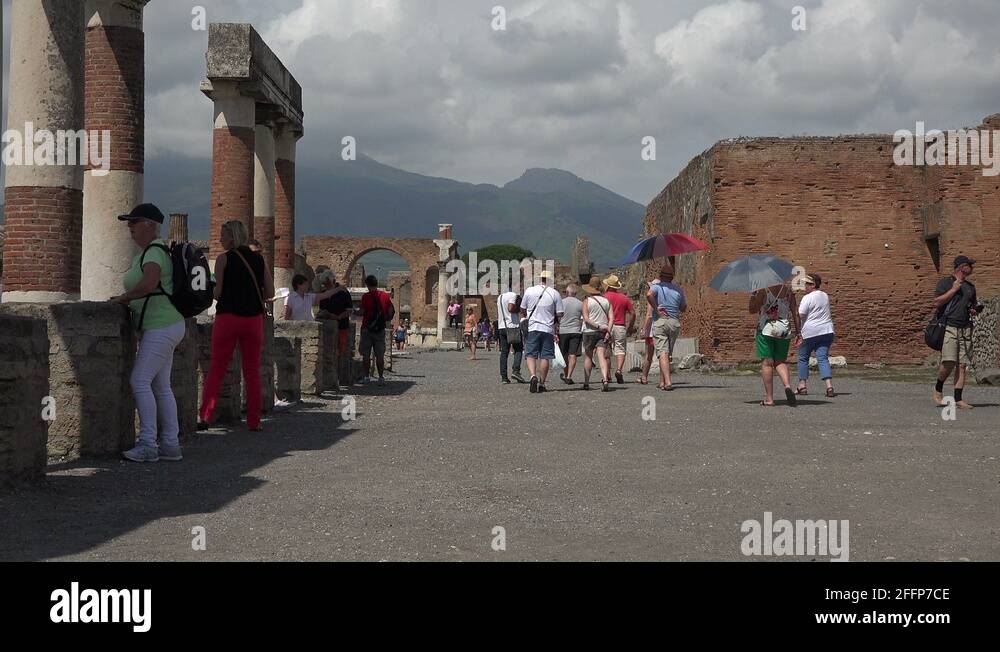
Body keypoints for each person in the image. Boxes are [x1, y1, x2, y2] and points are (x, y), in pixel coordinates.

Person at [111, 204, 187, 462]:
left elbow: (150, 283)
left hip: (160, 325)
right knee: (161, 386)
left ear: (150, 225)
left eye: (134, 221)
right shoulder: (152, 252)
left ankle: (148, 444)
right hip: (169, 324)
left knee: (139, 381)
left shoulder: (154, 252)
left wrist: (124, 297)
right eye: (128, 222)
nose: (129, 227)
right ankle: (170, 444)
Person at [199, 220, 274, 431]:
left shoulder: (223, 259)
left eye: (222, 235)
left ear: (231, 237)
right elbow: (269, 292)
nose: (219, 239)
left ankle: (206, 415)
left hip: (228, 318)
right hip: (253, 321)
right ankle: (254, 421)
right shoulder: (259, 260)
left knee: (217, 368)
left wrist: (208, 290)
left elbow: (218, 292)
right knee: (252, 371)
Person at [933, 256, 980, 409]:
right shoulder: (946, 283)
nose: (972, 268)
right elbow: (937, 302)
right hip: (950, 327)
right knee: (949, 362)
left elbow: (971, 306)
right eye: (969, 265)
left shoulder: (970, 287)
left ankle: (958, 399)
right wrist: (953, 289)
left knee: (962, 365)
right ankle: (938, 388)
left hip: (965, 327)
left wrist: (974, 310)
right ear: (961, 267)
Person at [750, 282, 800, 406]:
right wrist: (799, 332)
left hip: (766, 329)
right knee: (780, 361)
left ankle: (769, 399)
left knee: (767, 363)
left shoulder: (763, 291)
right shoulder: (788, 291)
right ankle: (787, 386)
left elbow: (752, 310)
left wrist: (753, 296)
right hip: (783, 330)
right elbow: (796, 313)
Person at [520, 270, 564, 393]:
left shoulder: (529, 291)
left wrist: (528, 315)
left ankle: (533, 375)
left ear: (541, 279)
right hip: (548, 329)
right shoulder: (555, 293)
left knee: (530, 354)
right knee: (545, 357)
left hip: (533, 327)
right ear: (550, 280)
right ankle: (542, 383)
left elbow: (522, 309)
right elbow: (560, 313)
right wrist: (552, 315)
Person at [795, 273, 836, 398]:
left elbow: (801, 314)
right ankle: (829, 386)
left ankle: (802, 385)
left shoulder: (807, 298)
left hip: (810, 332)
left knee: (803, 357)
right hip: (827, 331)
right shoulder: (824, 295)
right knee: (822, 358)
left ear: (813, 285)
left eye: (806, 284)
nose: (804, 286)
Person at [647, 266, 686, 391]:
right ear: (672, 277)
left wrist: (657, 309)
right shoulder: (678, 290)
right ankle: (662, 382)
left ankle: (668, 382)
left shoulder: (657, 287)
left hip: (661, 321)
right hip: (674, 322)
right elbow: (683, 308)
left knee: (662, 352)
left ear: (661, 276)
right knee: (667, 352)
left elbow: (649, 295)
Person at [360, 274, 395, 386]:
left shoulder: (366, 296)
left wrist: (355, 312)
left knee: (366, 355)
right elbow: (390, 311)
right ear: (376, 283)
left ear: (367, 285)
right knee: (380, 355)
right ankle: (380, 377)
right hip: (380, 329)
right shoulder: (385, 295)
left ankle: (366, 377)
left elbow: (362, 312)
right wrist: (386, 319)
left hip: (367, 328)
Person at [603, 275, 635, 384]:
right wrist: (630, 326)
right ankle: (619, 370)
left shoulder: (604, 297)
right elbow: (632, 313)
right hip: (620, 326)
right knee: (620, 349)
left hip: (607, 326)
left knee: (606, 350)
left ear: (608, 285)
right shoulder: (624, 298)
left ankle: (607, 375)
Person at [581, 283, 614, 391]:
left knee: (588, 356)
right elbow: (611, 318)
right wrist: (608, 331)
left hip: (590, 331)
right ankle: (605, 379)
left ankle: (586, 382)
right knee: (601, 356)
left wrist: (598, 326)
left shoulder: (587, 301)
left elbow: (586, 318)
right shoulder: (607, 301)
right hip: (603, 332)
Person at [316, 271, 354, 363]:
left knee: (341, 351)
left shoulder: (344, 293)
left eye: (326, 283)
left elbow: (349, 310)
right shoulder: (324, 293)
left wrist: (338, 317)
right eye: (323, 284)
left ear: (331, 280)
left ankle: (340, 374)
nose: (325, 285)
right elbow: (321, 308)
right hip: (326, 327)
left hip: (341, 326)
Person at [497, 286, 526, 384]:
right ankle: (516, 371)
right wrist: (518, 310)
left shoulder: (500, 297)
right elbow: (510, 308)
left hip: (501, 326)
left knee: (504, 352)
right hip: (512, 326)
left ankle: (504, 377)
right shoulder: (513, 295)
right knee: (518, 349)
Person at [558, 284, 584, 384]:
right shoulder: (580, 303)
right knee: (572, 354)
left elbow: (557, 315)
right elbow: (584, 317)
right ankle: (569, 376)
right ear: (575, 293)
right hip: (576, 331)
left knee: (564, 354)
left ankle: (565, 374)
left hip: (563, 331)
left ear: (566, 292)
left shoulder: (561, 302)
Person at [636, 279, 660, 385]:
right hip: (663, 326)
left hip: (653, 329)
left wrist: (644, 329)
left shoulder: (652, 298)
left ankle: (644, 377)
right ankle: (664, 379)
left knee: (649, 355)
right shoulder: (663, 298)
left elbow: (649, 315)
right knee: (664, 353)